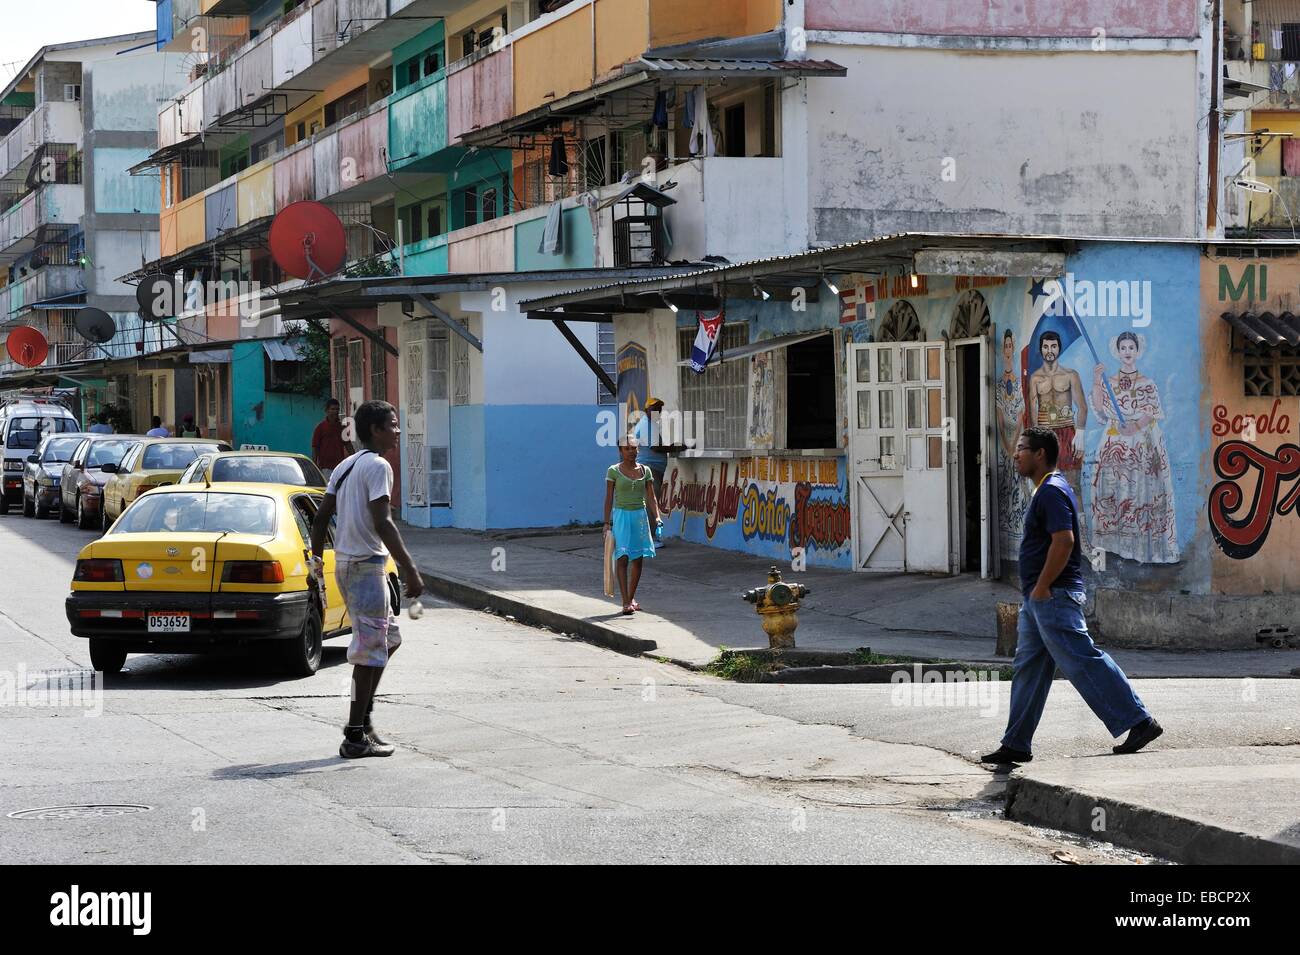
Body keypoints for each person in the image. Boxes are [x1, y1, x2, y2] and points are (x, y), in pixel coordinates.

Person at [982, 428, 1162, 766]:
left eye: (1022, 449)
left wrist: (1042, 585)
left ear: (1040, 454)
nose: (1016, 454)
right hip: (1040, 600)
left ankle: (1138, 721)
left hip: (1053, 595)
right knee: (1028, 670)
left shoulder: (1051, 491)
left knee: (1081, 659)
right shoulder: (1047, 490)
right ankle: (1016, 743)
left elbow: (1063, 541)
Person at [310, 400, 423, 759]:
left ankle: (364, 719)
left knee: (388, 641)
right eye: (392, 424)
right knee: (368, 653)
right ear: (375, 430)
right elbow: (383, 521)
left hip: (349, 565)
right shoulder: (377, 465)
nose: (398, 430)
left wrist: (317, 563)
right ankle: (355, 735)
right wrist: (409, 568)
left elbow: (319, 518)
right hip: (364, 567)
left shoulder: (346, 465)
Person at [1089, 332, 1179, 563]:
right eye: (1123, 348)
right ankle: (1115, 545)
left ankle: (1142, 548)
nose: (1127, 351)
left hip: (1141, 443)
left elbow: (1152, 411)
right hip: (1116, 444)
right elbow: (1099, 407)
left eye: (1131, 347)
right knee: (1113, 491)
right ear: (1117, 352)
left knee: (1141, 493)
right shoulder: (1110, 382)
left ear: (1138, 351)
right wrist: (1097, 380)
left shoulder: (1147, 382)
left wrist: (1135, 426)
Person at [603, 437, 661, 615]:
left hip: (640, 517)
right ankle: (625, 601)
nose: (631, 451)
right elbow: (609, 498)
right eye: (626, 448)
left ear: (639, 449)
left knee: (638, 559)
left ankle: (631, 598)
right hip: (621, 517)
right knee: (622, 558)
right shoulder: (613, 471)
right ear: (620, 451)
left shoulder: (646, 470)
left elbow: (651, 497)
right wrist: (606, 523)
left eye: (634, 448)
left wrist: (658, 518)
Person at [1028, 330, 1087, 496]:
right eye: (1046, 346)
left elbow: (1082, 406)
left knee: (1073, 485)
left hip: (1067, 432)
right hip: (1046, 434)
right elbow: (1033, 410)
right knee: (1045, 485)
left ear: (1059, 348)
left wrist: (1080, 433)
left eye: (1053, 346)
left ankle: (1077, 521)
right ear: (1041, 350)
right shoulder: (1035, 378)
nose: (1050, 350)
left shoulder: (1070, 375)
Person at [312, 398, 353, 480]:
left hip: (340, 466)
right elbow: (315, 447)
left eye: (337, 409)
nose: (335, 411)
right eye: (333, 409)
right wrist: (314, 465)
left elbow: (349, 446)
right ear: (327, 410)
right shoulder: (320, 428)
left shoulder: (342, 427)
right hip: (325, 467)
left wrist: (355, 460)